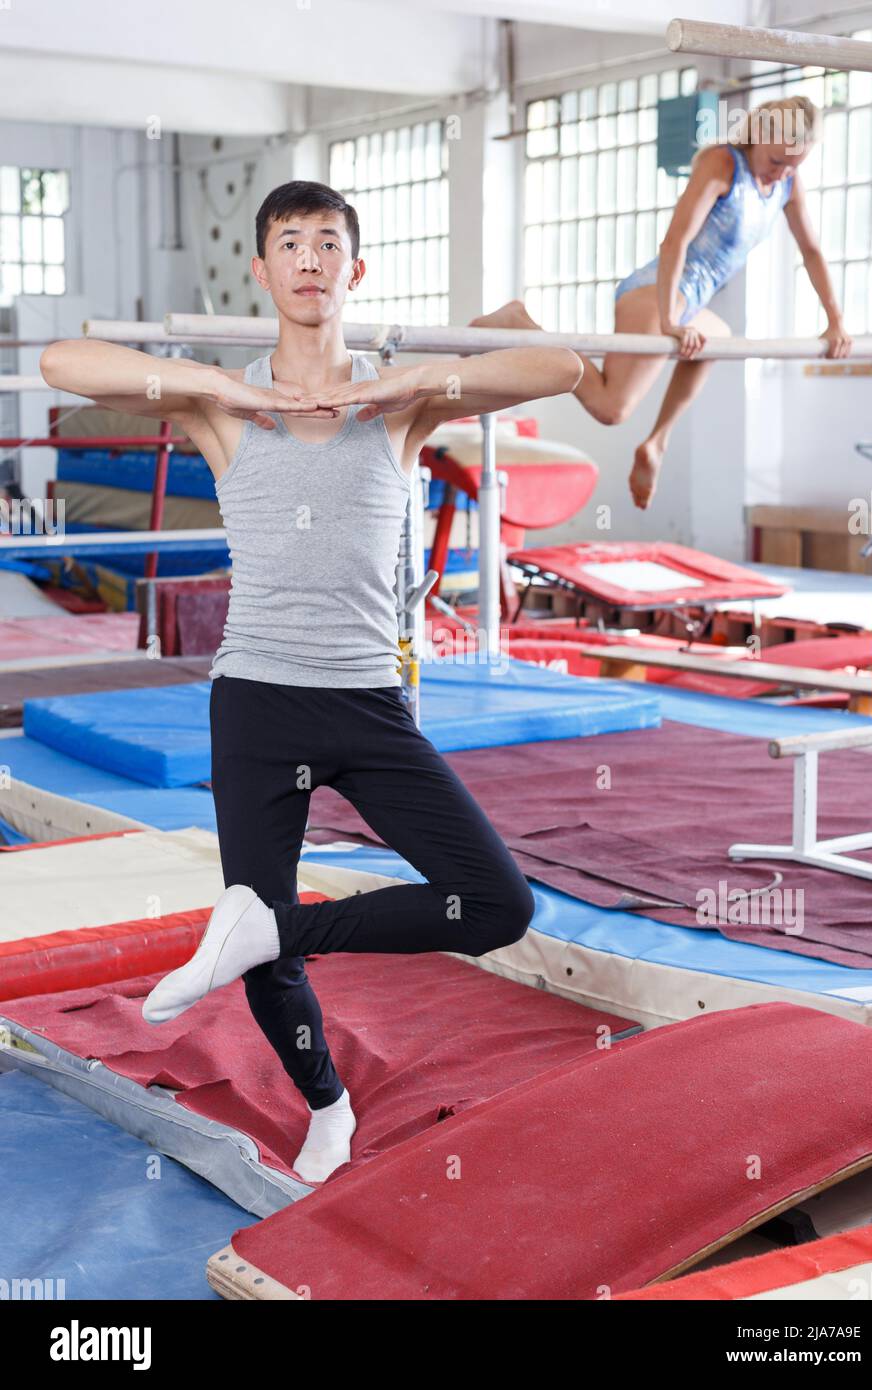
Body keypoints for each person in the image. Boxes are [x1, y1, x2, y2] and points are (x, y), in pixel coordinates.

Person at [40, 181, 583, 1187]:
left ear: (353, 270)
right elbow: (61, 362)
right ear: (261, 270)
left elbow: (561, 363)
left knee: (494, 902)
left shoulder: (403, 403)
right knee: (262, 930)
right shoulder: (218, 404)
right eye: (288, 243)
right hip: (256, 702)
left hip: (369, 705)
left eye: (327, 243)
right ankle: (325, 1103)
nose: (307, 258)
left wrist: (403, 380)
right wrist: (243, 394)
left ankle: (270, 928)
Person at [472, 95, 852, 510]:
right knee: (611, 408)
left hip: (691, 301)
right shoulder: (722, 163)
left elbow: (812, 251)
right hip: (656, 291)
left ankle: (656, 443)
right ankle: (521, 323)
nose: (782, 173)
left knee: (718, 342)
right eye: (778, 161)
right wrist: (670, 317)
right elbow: (676, 240)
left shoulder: (787, 184)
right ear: (759, 135)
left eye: (795, 164)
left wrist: (835, 322)